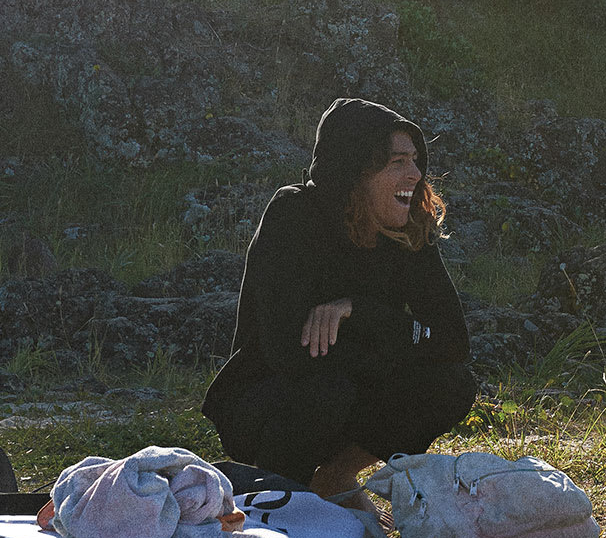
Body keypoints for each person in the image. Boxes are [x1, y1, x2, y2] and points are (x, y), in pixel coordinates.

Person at [202, 97, 476, 498]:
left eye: (415, 160)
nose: (416, 174)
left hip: (349, 383)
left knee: (450, 384)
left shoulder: (409, 227)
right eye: (397, 162)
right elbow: (287, 352)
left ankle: (333, 478)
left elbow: (453, 343)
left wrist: (359, 313)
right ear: (356, 170)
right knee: (327, 390)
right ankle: (281, 490)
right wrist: (394, 344)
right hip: (270, 399)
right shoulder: (293, 215)